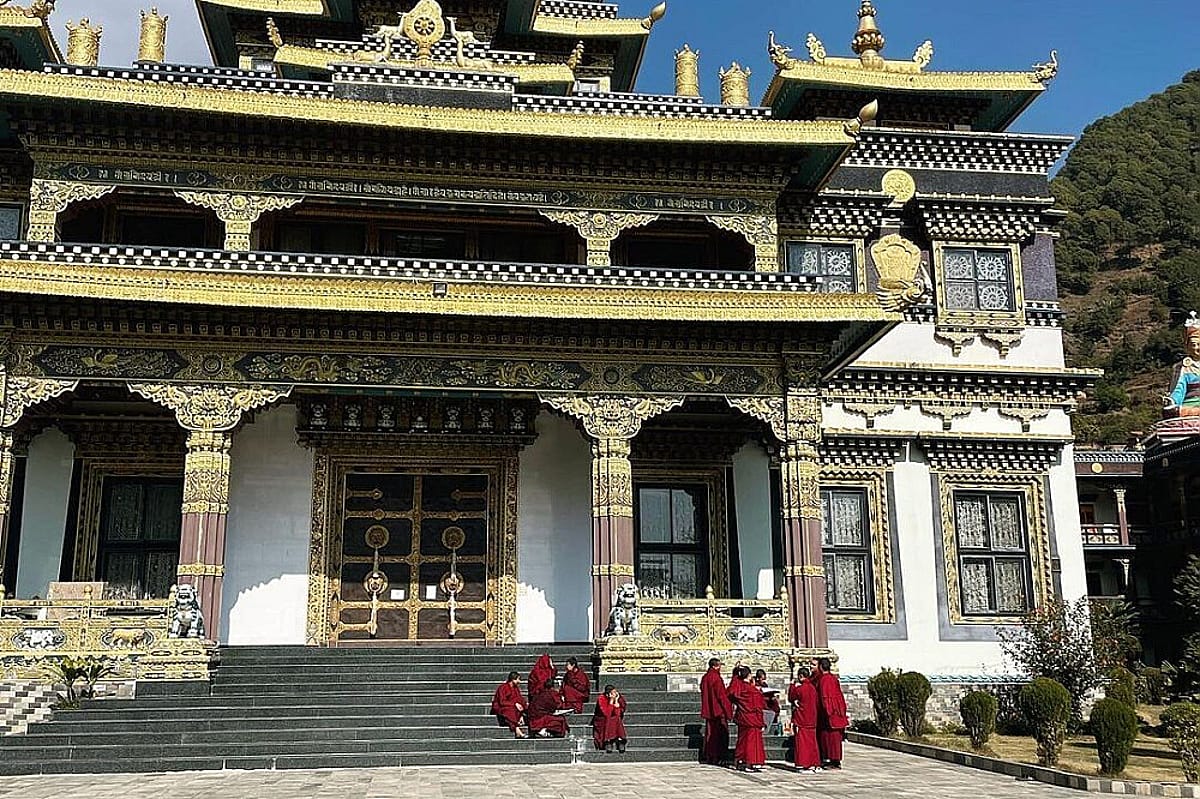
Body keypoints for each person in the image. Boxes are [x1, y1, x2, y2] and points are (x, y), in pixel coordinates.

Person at [727, 665, 767, 772]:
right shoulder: (754, 691)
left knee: (742, 740)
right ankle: (750, 762)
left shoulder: (738, 687)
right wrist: (762, 722)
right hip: (753, 718)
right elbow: (759, 707)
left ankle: (739, 761)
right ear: (749, 676)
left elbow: (730, 694)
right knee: (752, 741)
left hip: (743, 717)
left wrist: (735, 674)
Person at [813, 657, 849, 769]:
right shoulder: (832, 678)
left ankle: (834, 761)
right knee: (829, 739)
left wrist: (827, 711)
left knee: (832, 739)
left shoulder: (825, 680)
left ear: (820, 667)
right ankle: (830, 759)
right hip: (834, 713)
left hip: (830, 714)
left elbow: (826, 697)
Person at [699, 657, 733, 765]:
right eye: (719, 666)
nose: (720, 668)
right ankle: (717, 756)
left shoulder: (705, 677)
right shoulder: (716, 678)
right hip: (718, 711)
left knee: (710, 734)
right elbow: (721, 696)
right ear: (715, 666)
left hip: (709, 711)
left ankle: (709, 756)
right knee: (719, 735)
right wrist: (728, 710)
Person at [788, 666, 821, 772]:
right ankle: (813, 763)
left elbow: (791, 697)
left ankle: (803, 763)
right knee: (812, 742)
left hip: (802, 719)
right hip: (812, 719)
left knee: (802, 743)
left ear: (801, 676)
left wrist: (792, 684)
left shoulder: (800, 689)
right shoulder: (813, 688)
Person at [491, 671, 528, 739]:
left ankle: (517, 730)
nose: (519, 681)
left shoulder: (515, 688)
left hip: (513, 707)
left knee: (515, 710)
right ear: (513, 679)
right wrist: (514, 704)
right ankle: (517, 729)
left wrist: (522, 714)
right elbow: (502, 702)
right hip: (502, 707)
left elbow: (520, 699)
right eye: (518, 679)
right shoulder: (502, 688)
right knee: (509, 711)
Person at [592, 684, 628, 753]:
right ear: (607, 695)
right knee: (610, 719)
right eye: (612, 693)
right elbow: (606, 714)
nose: (615, 694)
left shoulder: (619, 697)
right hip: (602, 719)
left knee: (616, 718)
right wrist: (611, 701)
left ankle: (620, 740)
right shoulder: (601, 699)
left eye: (615, 692)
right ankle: (607, 741)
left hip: (615, 718)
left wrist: (616, 702)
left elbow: (618, 714)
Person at [755, 668, 781, 732]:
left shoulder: (764, 685)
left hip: (768, 702)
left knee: (775, 705)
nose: (764, 681)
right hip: (761, 703)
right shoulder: (755, 685)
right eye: (762, 679)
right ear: (758, 678)